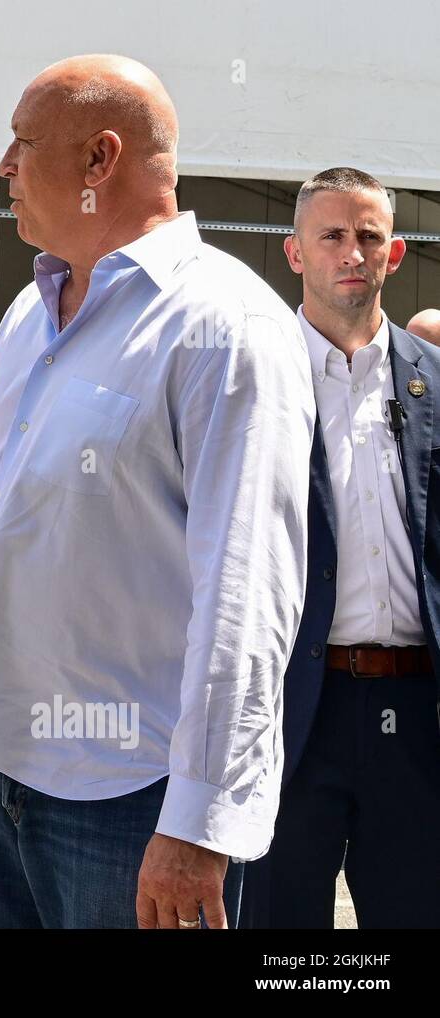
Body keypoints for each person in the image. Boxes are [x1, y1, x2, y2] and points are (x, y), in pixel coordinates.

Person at [0, 54, 315, 929]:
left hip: (130, 800)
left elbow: (248, 593)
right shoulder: (29, 313)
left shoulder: (226, 326)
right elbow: (34, 499)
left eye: (23, 143)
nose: (3, 166)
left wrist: (200, 823)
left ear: (99, 161)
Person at [241, 168, 440, 929]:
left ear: (393, 253)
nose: (352, 252)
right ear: (295, 253)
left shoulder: (433, 383)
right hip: (295, 706)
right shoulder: (251, 380)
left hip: (414, 711)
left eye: (369, 236)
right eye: (332, 236)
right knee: (281, 930)